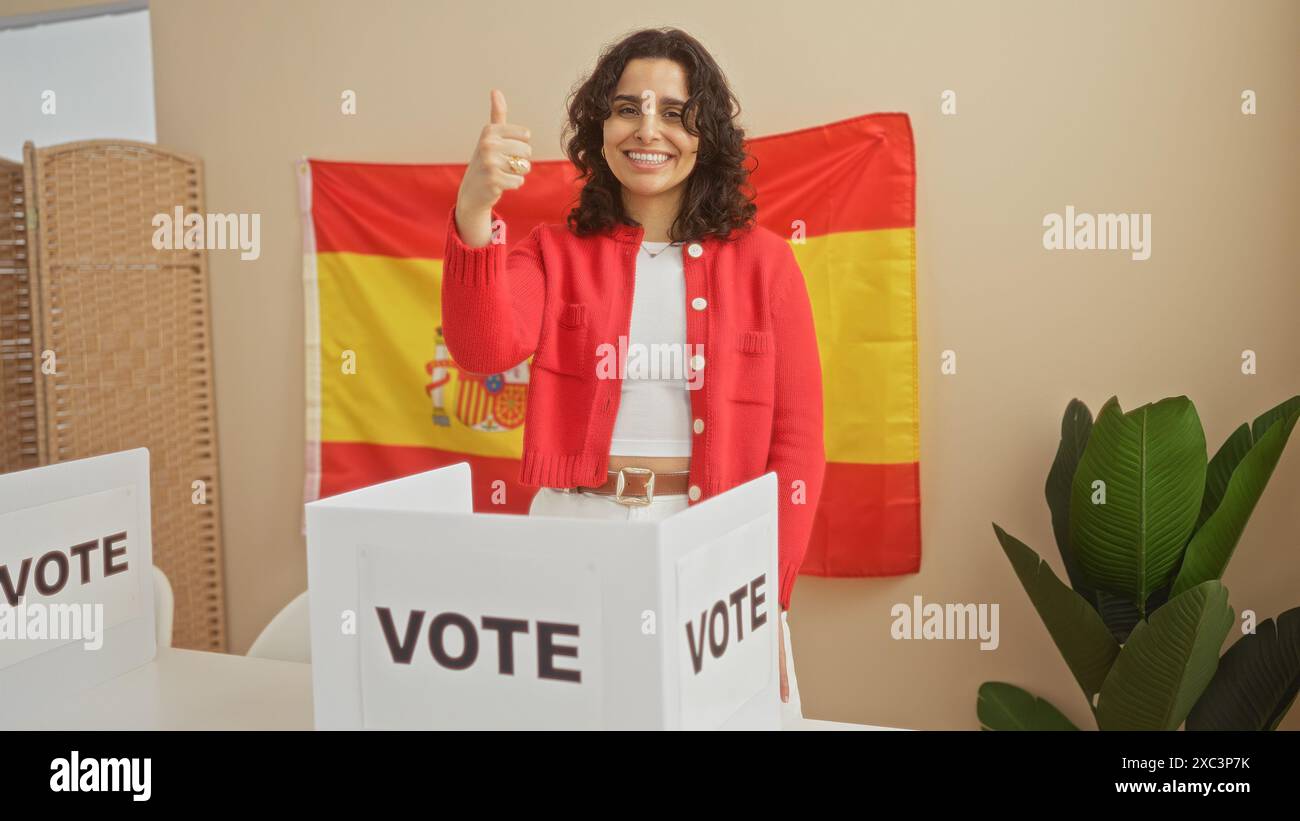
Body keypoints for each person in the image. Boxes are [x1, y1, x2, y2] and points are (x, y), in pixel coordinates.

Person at [441, 27, 824, 723]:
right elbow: (483, 347)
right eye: (627, 108)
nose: (649, 128)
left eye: (675, 112)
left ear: (705, 131)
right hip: (573, 536)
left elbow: (797, 447)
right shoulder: (553, 251)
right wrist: (474, 211)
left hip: (712, 546)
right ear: (601, 125)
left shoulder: (766, 263)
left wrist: (765, 594)